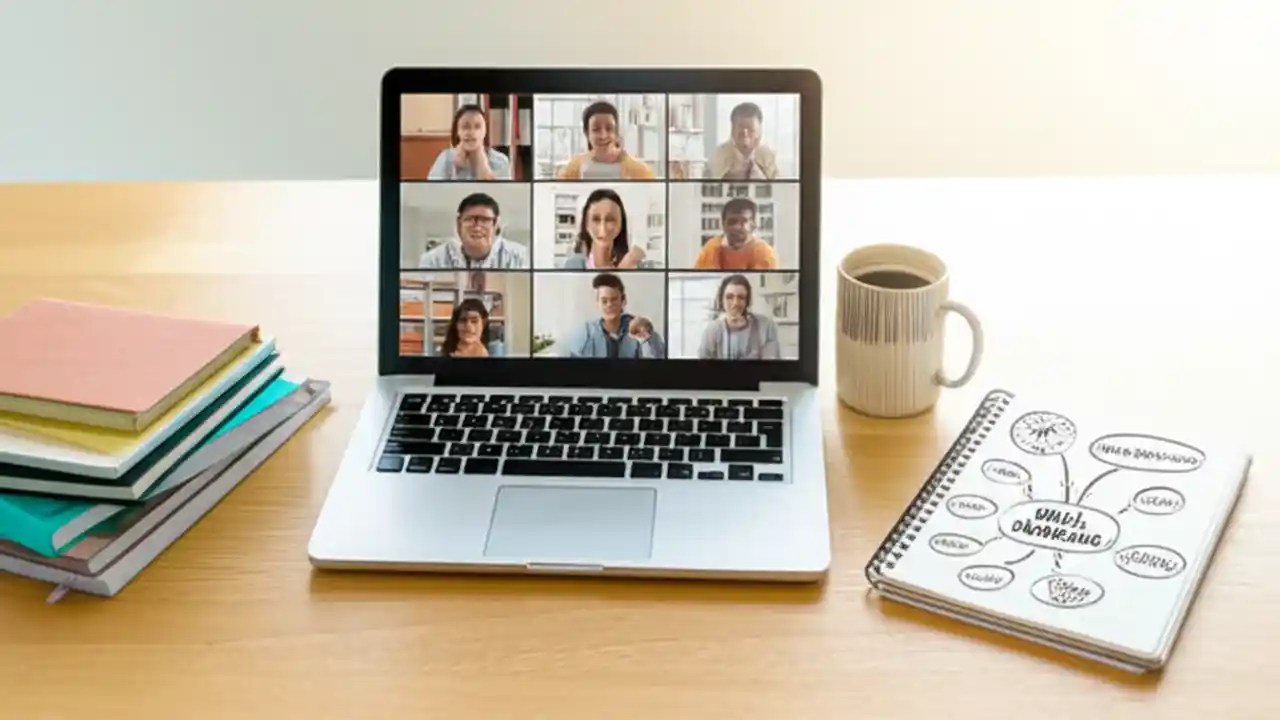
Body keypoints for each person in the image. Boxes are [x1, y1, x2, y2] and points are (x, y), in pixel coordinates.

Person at [565, 273, 665, 358]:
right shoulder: (585, 333)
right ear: (597, 303)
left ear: (623, 301)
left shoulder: (638, 327)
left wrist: (648, 337)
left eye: (614, 300)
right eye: (604, 301)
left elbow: (658, 357)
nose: (609, 305)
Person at [418, 193, 529, 269]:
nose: (477, 227)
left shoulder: (520, 257)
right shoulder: (433, 260)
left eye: (485, 220)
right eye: (470, 219)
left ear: (496, 225)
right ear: (458, 224)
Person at [556, 100, 656, 180]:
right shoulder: (573, 169)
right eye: (596, 129)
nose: (603, 136)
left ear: (616, 132)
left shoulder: (641, 171)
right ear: (587, 133)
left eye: (609, 128)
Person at [697, 274, 781, 360]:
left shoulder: (766, 327)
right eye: (729, 297)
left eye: (741, 297)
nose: (735, 303)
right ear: (721, 300)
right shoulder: (712, 330)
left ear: (747, 301)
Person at [561, 188, 647, 269]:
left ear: (621, 223)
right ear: (586, 223)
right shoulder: (575, 264)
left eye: (610, 219)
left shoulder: (633, 264)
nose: (603, 228)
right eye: (596, 219)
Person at [427, 104, 513, 180]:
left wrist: (482, 164)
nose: (472, 132)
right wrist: (455, 170)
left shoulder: (500, 161)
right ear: (457, 132)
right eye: (465, 127)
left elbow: (501, 192)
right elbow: (433, 190)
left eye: (477, 126)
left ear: (485, 131)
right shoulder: (446, 158)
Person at [693, 198, 778, 270]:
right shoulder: (712, 247)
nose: (737, 227)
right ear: (723, 225)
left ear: (753, 225)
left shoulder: (764, 252)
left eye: (743, 222)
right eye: (732, 222)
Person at [708, 102, 778, 180]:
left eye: (751, 128)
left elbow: (778, 185)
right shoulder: (719, 155)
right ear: (732, 129)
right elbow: (715, 183)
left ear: (760, 130)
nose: (745, 133)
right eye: (741, 128)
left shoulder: (769, 155)